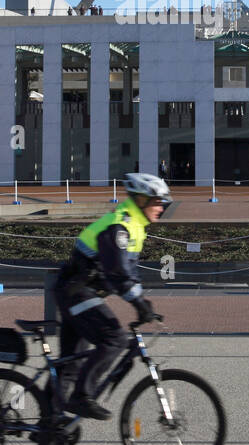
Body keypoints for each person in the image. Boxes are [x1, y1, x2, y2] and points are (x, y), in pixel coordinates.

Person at [52, 171, 170, 419]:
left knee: (70, 364)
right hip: (77, 292)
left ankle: (50, 424)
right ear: (141, 200)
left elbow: (129, 273)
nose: (162, 207)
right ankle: (82, 397)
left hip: (80, 293)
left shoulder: (134, 226)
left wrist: (142, 302)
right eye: (158, 202)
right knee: (114, 338)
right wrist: (137, 303)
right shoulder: (120, 225)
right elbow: (116, 272)